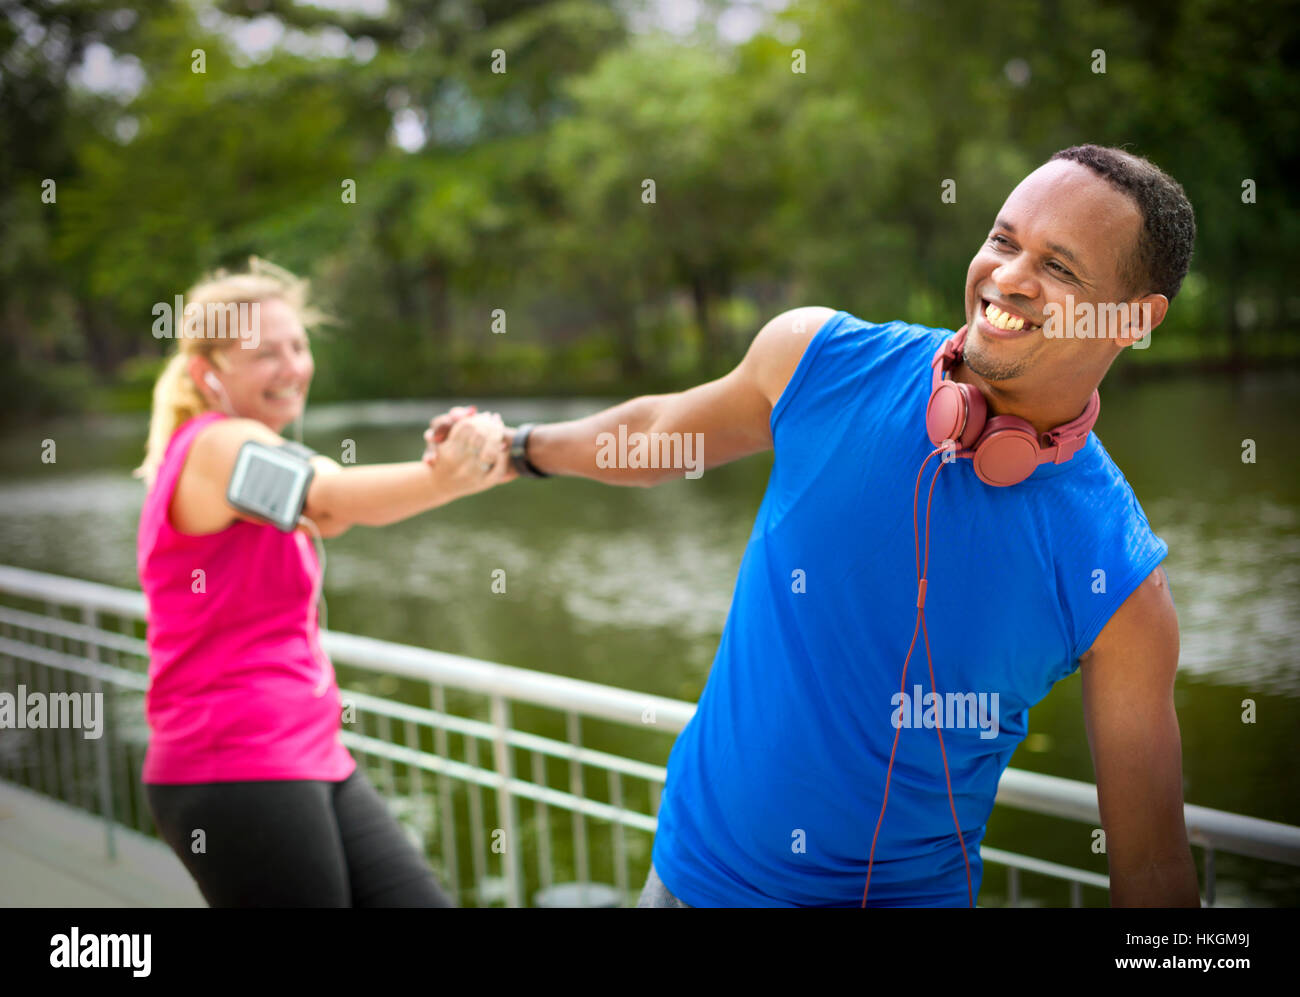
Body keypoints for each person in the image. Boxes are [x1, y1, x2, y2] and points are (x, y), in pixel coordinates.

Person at [435, 145, 1202, 907]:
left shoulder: (1123, 580)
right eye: (1003, 240)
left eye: (1058, 268)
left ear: (1134, 320)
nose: (1007, 277)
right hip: (681, 880)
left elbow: (1153, 872)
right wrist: (516, 448)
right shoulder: (818, 358)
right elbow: (655, 432)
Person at [136, 258, 511, 907]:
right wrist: (446, 476)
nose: (292, 366)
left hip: (310, 750)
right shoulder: (216, 448)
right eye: (264, 354)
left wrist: (479, 466)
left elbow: (330, 502)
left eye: (298, 346)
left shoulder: (249, 450)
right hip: (233, 761)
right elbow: (329, 502)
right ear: (208, 372)